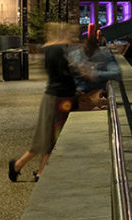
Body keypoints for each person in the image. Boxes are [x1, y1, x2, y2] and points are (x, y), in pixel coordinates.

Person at [8, 22, 81, 182]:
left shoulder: (54, 49)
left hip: (58, 97)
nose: (71, 36)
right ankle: (18, 165)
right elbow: (65, 74)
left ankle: (39, 172)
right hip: (57, 98)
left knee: (51, 138)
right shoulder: (57, 50)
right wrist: (78, 69)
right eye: (67, 33)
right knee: (46, 137)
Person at [71, 26, 121, 108]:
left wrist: (94, 74)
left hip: (95, 95)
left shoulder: (105, 55)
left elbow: (117, 74)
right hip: (79, 97)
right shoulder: (75, 55)